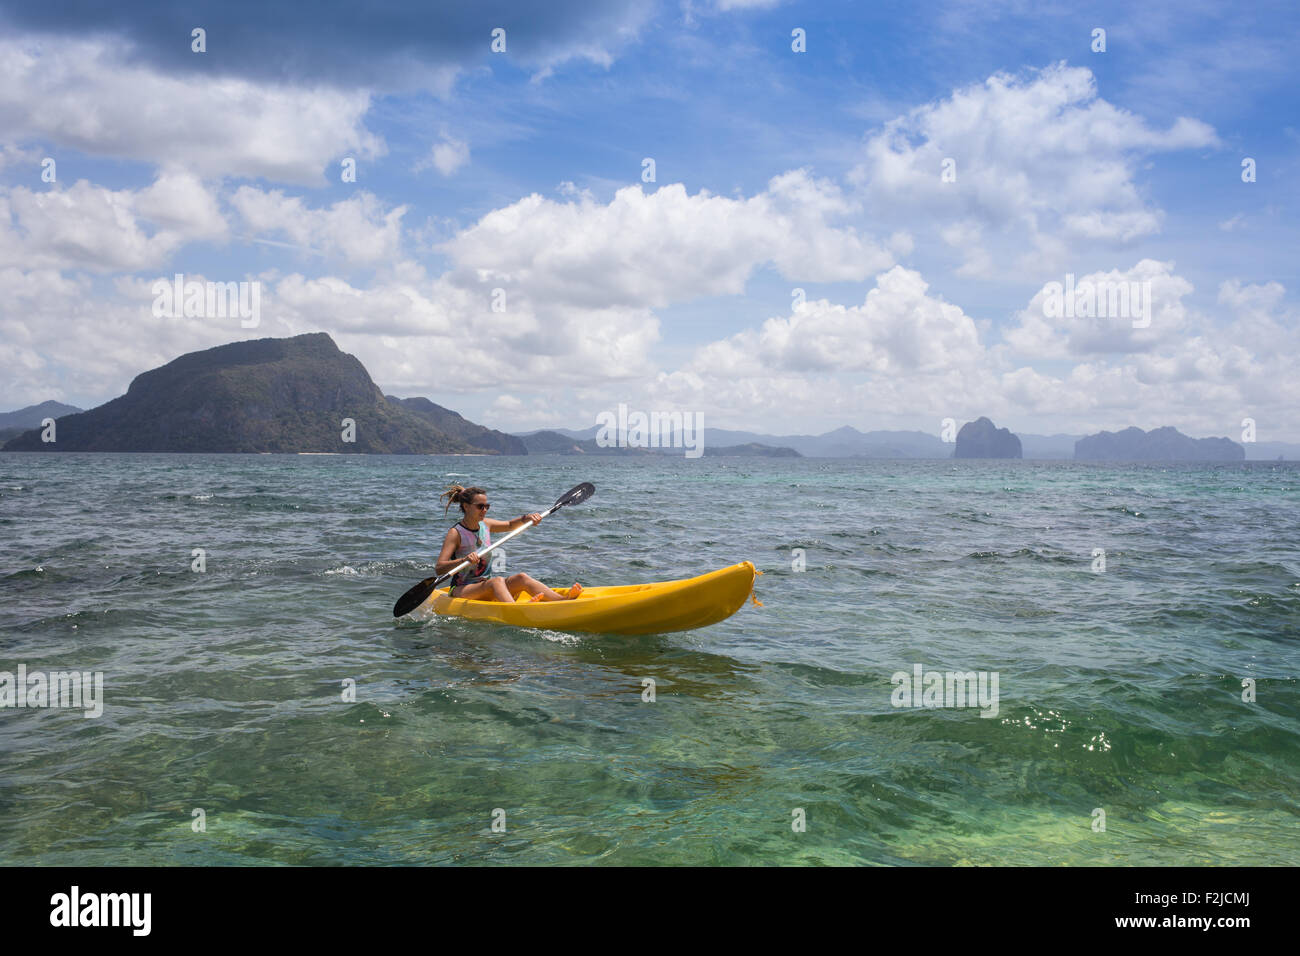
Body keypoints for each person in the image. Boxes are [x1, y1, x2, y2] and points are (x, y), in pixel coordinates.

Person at [436, 484, 582, 602]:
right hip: (461, 588)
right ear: (466, 506)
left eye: (487, 506)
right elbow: (439, 568)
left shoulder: (485, 524)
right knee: (496, 581)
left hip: (484, 585)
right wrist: (464, 560)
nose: (485, 510)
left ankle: (562, 600)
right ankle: (515, 611)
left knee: (521, 578)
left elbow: (509, 525)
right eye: (480, 506)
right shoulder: (456, 533)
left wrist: (526, 518)